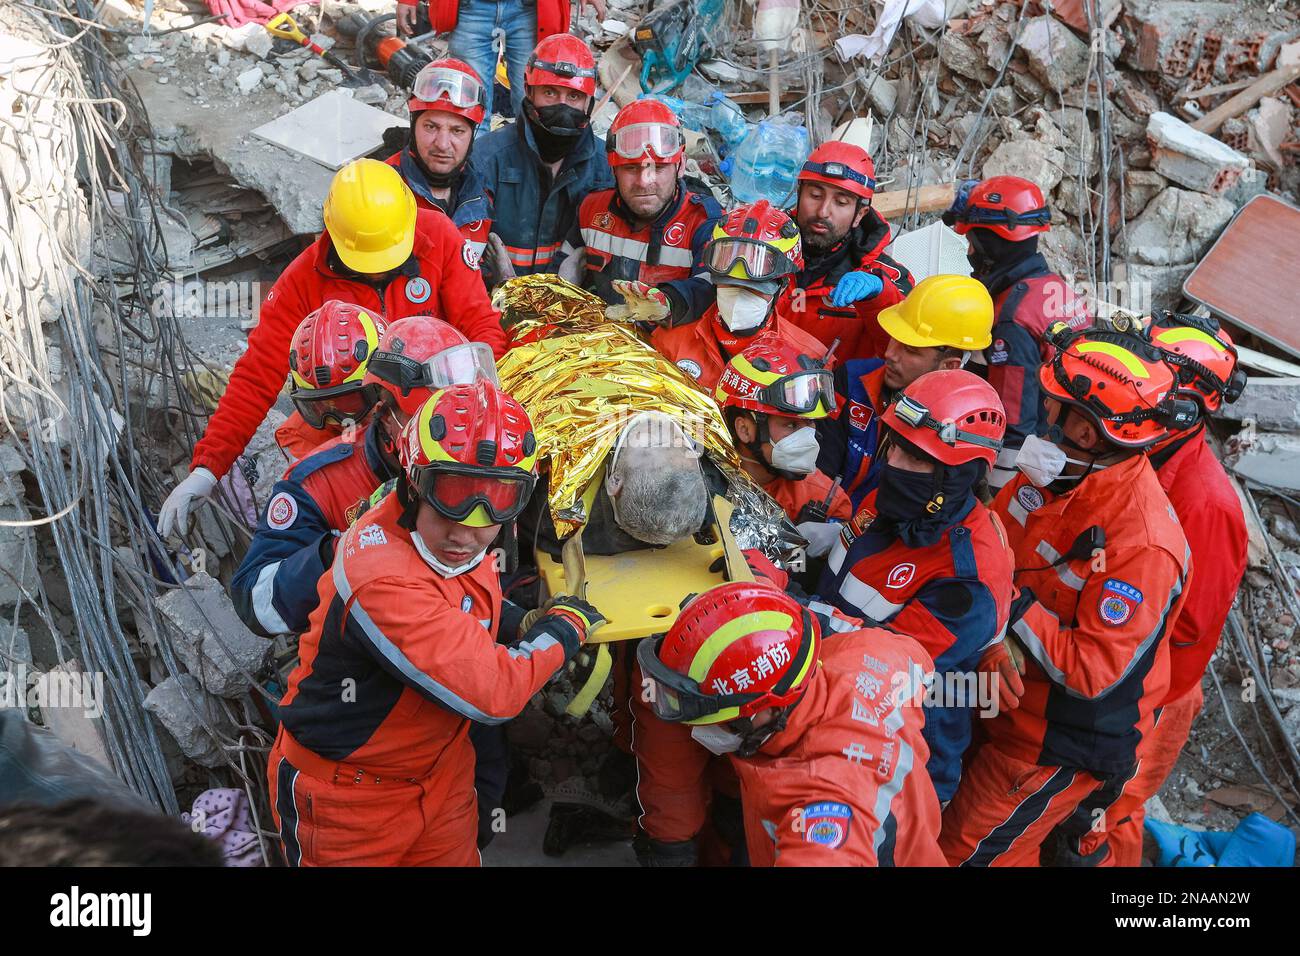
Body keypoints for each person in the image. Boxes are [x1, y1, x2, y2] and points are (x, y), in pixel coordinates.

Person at [267, 381, 604, 866]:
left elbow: (463, 601)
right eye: (452, 493)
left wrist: (517, 622)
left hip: (441, 775)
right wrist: (562, 630)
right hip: (349, 802)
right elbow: (494, 692)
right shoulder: (380, 575)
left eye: (496, 498)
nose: (468, 528)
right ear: (413, 482)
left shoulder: (439, 535)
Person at [939, 323, 1196, 867]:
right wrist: (991, 636)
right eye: (1051, 408)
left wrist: (1005, 606)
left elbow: (1091, 670)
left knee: (961, 855)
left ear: (1099, 436)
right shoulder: (1047, 480)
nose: (1045, 426)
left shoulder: (1143, 544)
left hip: (1051, 746)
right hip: (994, 702)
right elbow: (990, 544)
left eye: (1062, 418)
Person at [157, 159, 506, 538]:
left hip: (437, 420)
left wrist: (487, 409)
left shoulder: (438, 237)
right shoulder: (302, 281)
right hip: (348, 430)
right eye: (368, 263)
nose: (379, 272)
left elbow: (481, 327)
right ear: (334, 236)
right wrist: (208, 468)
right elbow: (256, 376)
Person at [1047, 312, 1248, 867]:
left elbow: (1185, 628)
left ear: (1190, 403)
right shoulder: (1138, 453)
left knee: (1104, 819)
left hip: (1151, 695)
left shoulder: (1204, 502)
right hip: (1111, 668)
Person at [637, 581, 946, 865]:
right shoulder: (868, 654)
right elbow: (916, 656)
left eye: (711, 720)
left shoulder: (823, 799)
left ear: (760, 713)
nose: (697, 729)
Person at [818, 370, 1015, 802]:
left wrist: (792, 612)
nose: (895, 467)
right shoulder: (895, 502)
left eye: (917, 459)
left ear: (960, 475)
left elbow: (885, 663)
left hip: (898, 768)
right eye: (896, 449)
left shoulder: (966, 580)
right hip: (830, 708)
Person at [231, 315, 493, 638]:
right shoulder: (318, 483)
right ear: (385, 413)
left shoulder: (488, 462)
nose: (455, 446)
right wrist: (346, 548)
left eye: (463, 428)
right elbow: (254, 604)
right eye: (436, 428)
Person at [943, 175, 1092, 489]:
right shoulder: (1054, 288)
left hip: (1038, 465)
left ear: (992, 243)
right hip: (1078, 446)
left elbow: (1013, 426)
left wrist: (994, 497)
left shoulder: (1013, 317)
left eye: (972, 240)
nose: (968, 251)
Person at [816, 274, 994, 509]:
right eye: (894, 338)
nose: (890, 354)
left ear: (949, 365)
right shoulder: (851, 380)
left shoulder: (962, 434)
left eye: (910, 349)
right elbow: (818, 468)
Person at [554, 97, 720, 323]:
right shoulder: (591, 209)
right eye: (631, 168)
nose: (644, 181)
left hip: (667, 350)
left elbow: (710, 289)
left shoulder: (703, 222)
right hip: (596, 342)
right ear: (613, 170)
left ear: (680, 165)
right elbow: (560, 266)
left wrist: (669, 303)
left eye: (659, 167)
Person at [476, 33, 614, 282]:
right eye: (550, 93)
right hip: (494, 306)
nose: (562, 107)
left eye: (573, 97)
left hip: (572, 313)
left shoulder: (607, 168)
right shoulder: (487, 159)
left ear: (588, 103)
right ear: (528, 91)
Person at [650, 200, 830, 390]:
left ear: (782, 287)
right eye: (729, 285)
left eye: (754, 290)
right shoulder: (669, 341)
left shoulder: (809, 362)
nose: (737, 300)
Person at [714, 336, 850, 546]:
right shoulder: (703, 478)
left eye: (811, 423)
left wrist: (805, 557)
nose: (807, 438)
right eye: (791, 425)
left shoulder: (825, 499)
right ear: (744, 429)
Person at [787, 141, 914, 362]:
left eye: (841, 202)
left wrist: (879, 298)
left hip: (831, 394)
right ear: (799, 195)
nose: (823, 211)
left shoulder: (888, 278)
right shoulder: (764, 250)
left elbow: (902, 358)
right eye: (815, 195)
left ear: (860, 214)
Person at [398, 0, 606, 135]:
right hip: (471, 9)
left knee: (535, 104)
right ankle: (476, 187)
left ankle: (532, 179)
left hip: (529, 9)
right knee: (469, 104)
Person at [385, 59, 494, 263]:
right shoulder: (380, 189)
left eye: (457, 131)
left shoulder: (482, 196)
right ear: (413, 125)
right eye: (431, 127)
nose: (443, 144)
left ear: (472, 134)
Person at [273, 301, 387, 464]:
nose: (339, 419)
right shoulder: (298, 436)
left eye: (350, 403)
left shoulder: (416, 404)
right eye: (321, 405)